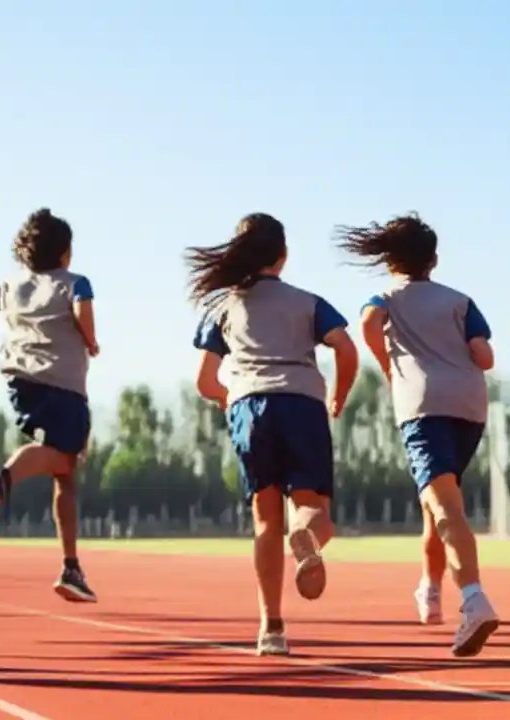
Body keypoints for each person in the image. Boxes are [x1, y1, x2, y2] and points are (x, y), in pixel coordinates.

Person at [186, 213, 358, 656]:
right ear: (282, 257)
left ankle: (272, 629)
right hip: (301, 403)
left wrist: (231, 399)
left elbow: (205, 381)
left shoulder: (223, 306)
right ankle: (304, 535)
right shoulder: (307, 301)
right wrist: (338, 396)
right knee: (313, 509)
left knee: (265, 521)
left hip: (249, 407)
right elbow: (345, 347)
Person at [338, 214, 501, 657]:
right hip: (469, 408)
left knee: (445, 503)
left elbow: (369, 323)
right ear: (434, 259)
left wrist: (389, 364)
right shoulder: (461, 300)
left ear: (390, 260)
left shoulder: (385, 295)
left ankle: (473, 597)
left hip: (423, 406)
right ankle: (430, 589)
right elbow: (484, 356)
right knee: (437, 501)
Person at [0, 208, 99, 603]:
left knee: (63, 473)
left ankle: (71, 565)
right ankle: (0, 482)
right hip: (62, 384)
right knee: (64, 462)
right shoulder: (74, 283)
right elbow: (83, 309)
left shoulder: (10, 287)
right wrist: (91, 340)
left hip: (20, 382)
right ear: (65, 252)